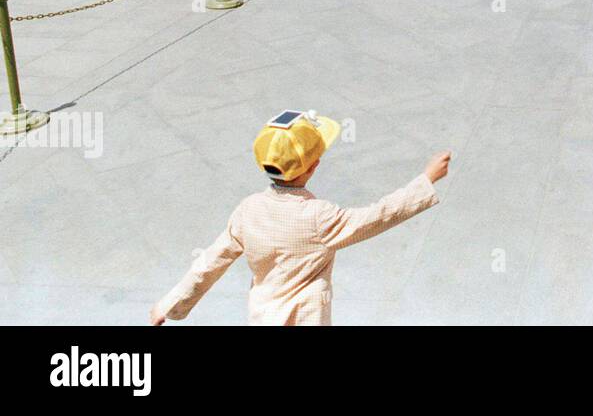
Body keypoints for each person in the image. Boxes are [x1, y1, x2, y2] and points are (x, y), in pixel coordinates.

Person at [150, 110, 449, 325]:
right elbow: (379, 216)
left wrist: (170, 305)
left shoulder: (247, 211)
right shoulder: (319, 217)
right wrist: (425, 180)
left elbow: (210, 262)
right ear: (313, 167)